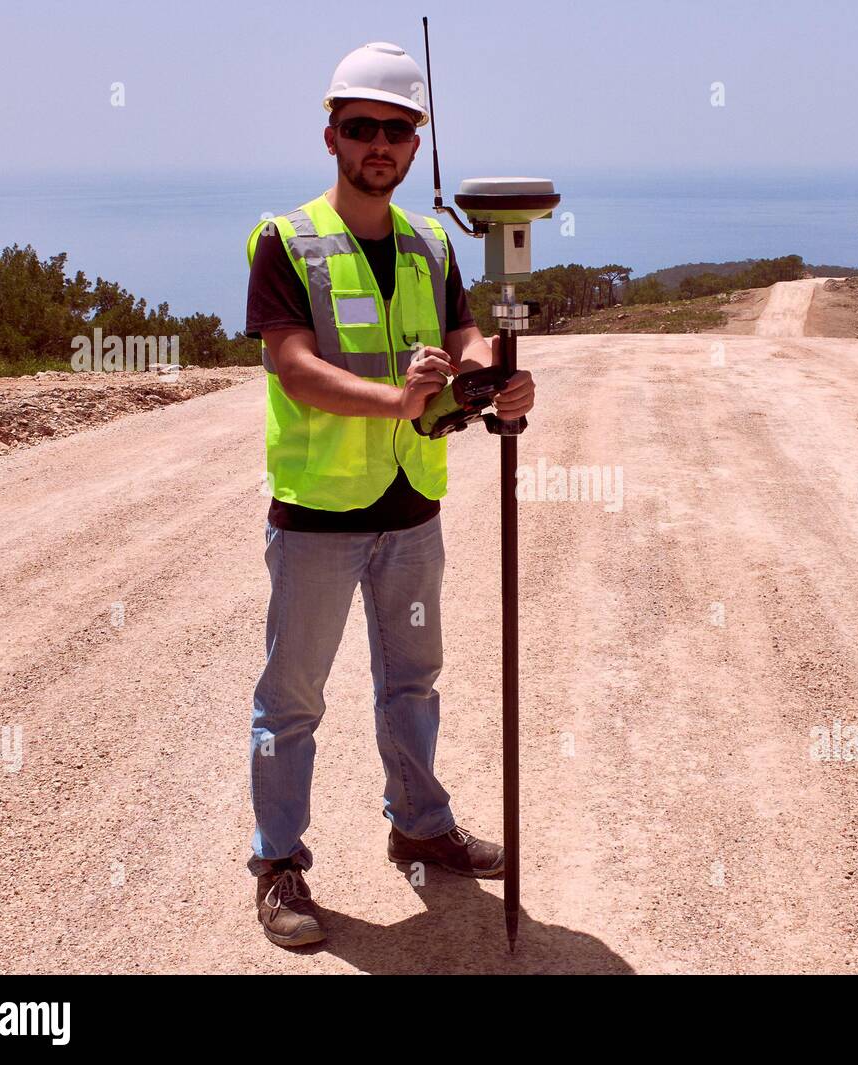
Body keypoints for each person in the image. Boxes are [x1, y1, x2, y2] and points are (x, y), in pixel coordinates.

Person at [243, 41, 535, 947]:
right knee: (292, 698)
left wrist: (495, 378)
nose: (379, 143)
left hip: (412, 511)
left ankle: (418, 820)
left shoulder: (431, 241)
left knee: (412, 681)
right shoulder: (285, 241)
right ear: (331, 134)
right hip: (321, 514)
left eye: (397, 129)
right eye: (362, 127)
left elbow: (465, 332)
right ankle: (279, 861)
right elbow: (294, 368)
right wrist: (397, 401)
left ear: (416, 144)